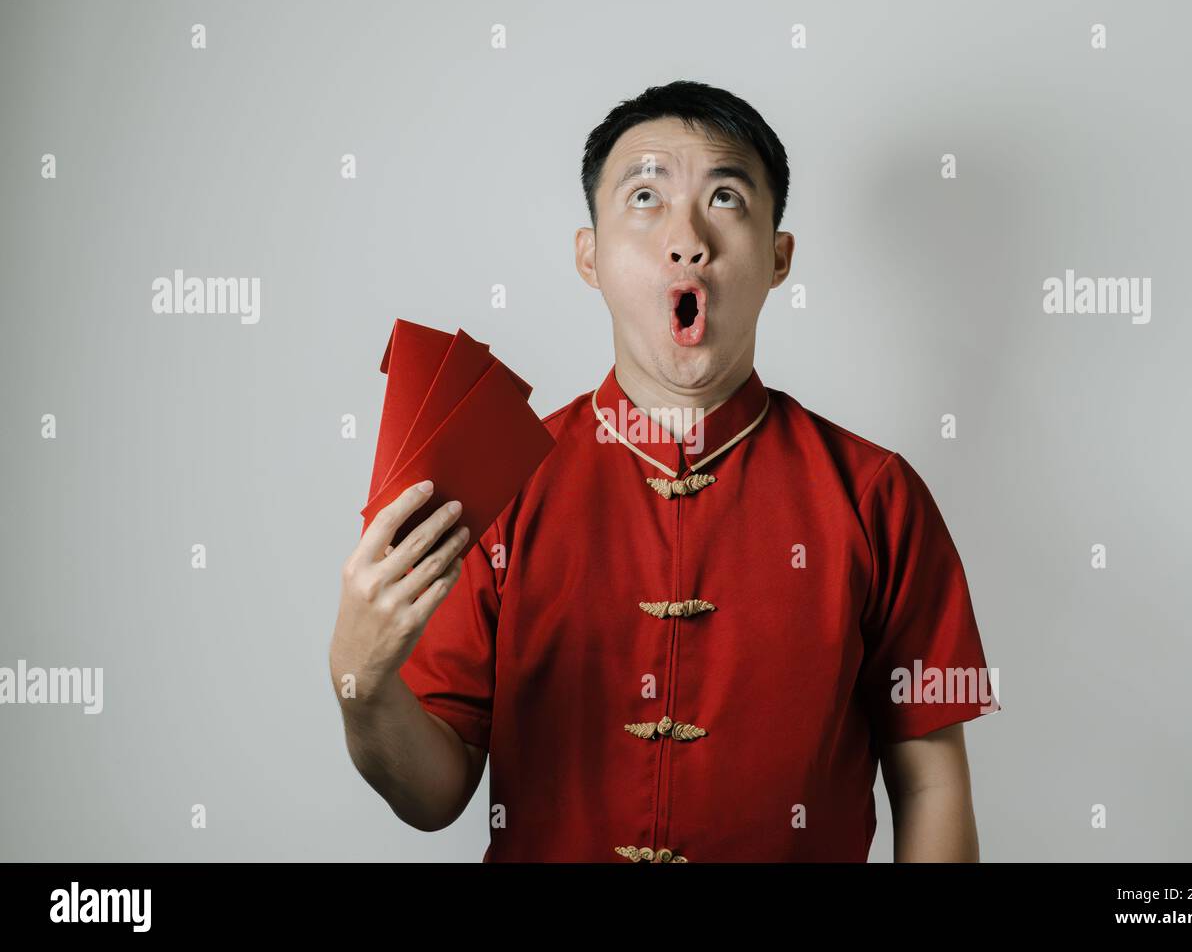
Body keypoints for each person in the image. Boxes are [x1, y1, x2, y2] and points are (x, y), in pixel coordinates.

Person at [329, 80, 999, 862]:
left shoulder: (877, 495)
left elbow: (931, 785)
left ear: (779, 257)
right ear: (590, 256)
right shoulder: (501, 485)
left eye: (725, 198)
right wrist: (361, 686)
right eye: (645, 196)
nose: (687, 239)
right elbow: (434, 794)